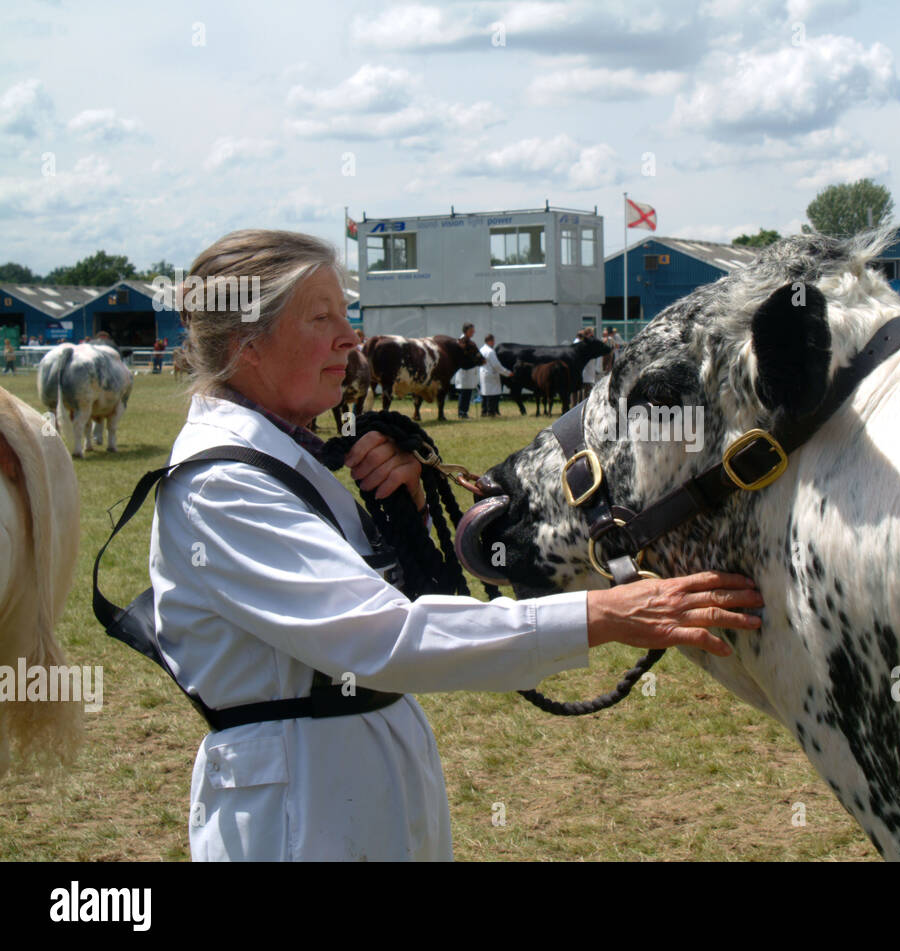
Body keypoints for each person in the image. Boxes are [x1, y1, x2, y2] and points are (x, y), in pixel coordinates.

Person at [150, 229, 763, 862]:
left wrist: (409, 512)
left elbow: (404, 609)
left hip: (347, 792)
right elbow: (380, 640)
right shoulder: (221, 486)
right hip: (299, 816)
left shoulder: (284, 462)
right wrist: (605, 615)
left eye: (346, 314)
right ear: (249, 348)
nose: (349, 337)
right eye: (321, 317)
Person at [477, 333, 511, 417]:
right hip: (491, 374)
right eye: (493, 341)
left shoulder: (482, 349)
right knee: (493, 394)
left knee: (485, 393)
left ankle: (484, 411)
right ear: (490, 341)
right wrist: (507, 373)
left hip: (483, 373)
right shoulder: (490, 351)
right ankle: (491, 412)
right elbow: (496, 365)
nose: (494, 342)